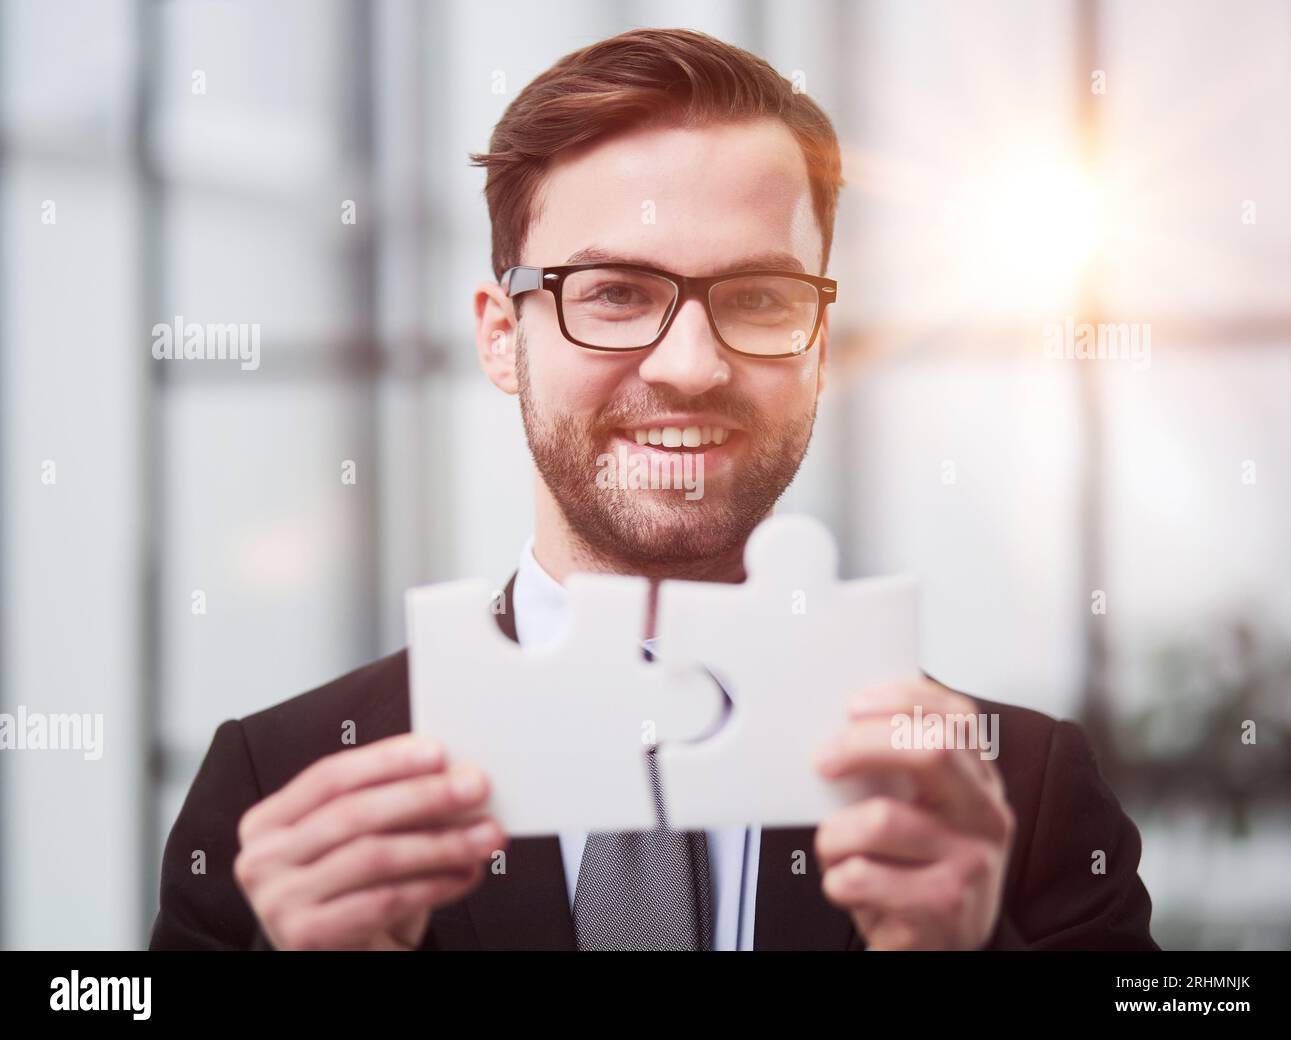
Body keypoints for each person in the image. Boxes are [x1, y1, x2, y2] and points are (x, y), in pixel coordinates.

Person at [149, 27, 1157, 952]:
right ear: (500, 335)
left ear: (818, 345)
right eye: (616, 293)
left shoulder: (1020, 801)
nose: (690, 366)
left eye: (758, 296)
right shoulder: (277, 791)